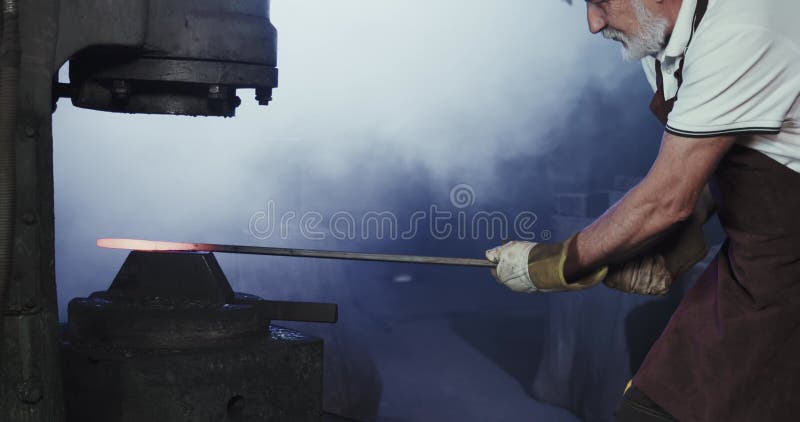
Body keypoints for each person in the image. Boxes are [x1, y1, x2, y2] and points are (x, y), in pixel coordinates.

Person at [485, 0, 800, 420]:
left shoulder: (742, 26)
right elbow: (709, 167)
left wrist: (552, 264)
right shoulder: (663, 47)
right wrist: (670, 248)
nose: (594, 24)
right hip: (766, 258)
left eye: (599, 3)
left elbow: (666, 198)